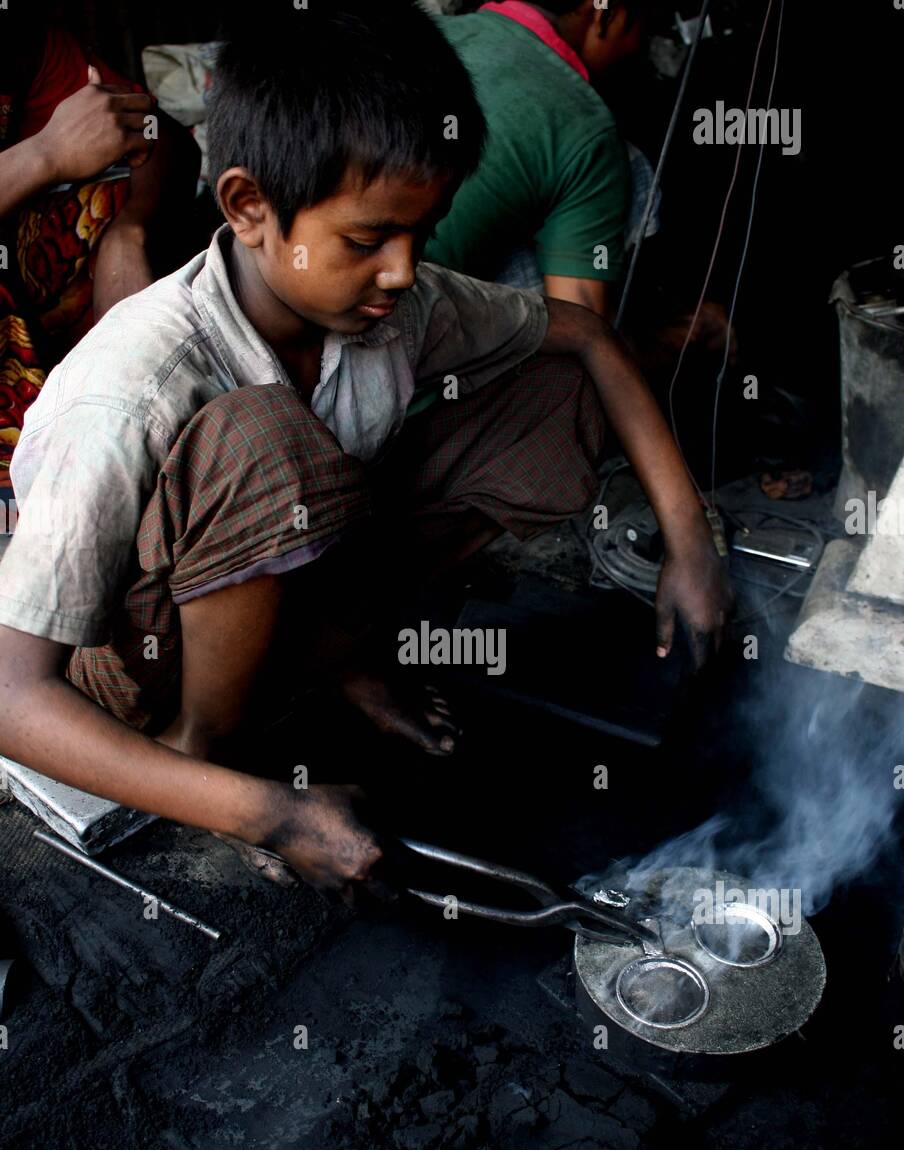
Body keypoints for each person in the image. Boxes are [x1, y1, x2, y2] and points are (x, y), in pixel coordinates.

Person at [0, 1, 729, 895]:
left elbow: (586, 337)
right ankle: (206, 759)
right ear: (248, 206)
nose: (402, 270)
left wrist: (689, 541)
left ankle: (334, 656)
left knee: (555, 391)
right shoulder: (139, 380)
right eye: (367, 239)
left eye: (420, 235)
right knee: (263, 439)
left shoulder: (391, 305)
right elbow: (11, 696)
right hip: (134, 664)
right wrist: (268, 812)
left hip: (293, 590)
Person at [0, 18, 200, 488]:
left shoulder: (17, 39)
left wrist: (131, 231)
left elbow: (152, 134)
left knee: (105, 202)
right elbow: (56, 150)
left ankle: (122, 429)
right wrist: (43, 157)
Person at [424, 0, 652, 322]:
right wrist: (671, 345)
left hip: (346, 290)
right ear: (605, 14)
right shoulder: (588, 127)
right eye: (643, 29)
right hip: (396, 328)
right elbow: (582, 323)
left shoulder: (426, 31)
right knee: (635, 169)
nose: (639, 48)